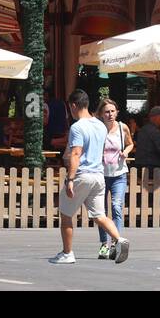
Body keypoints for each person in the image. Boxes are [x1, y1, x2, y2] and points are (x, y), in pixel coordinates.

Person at [49, 90, 130, 265]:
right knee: (100, 215)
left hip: (82, 174)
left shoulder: (77, 127)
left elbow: (76, 153)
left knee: (66, 215)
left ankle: (67, 253)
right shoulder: (100, 126)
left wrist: (70, 179)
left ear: (73, 106)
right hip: (99, 175)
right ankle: (119, 239)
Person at [96, 98, 133, 260]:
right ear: (101, 114)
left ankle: (116, 243)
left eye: (112, 111)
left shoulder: (122, 127)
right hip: (101, 174)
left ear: (117, 112)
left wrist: (127, 152)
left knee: (116, 207)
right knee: (101, 211)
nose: (110, 114)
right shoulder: (98, 128)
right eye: (106, 112)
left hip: (119, 174)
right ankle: (104, 244)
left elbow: (130, 143)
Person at [133, 105, 160, 171]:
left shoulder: (142, 130)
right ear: (156, 117)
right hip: (152, 169)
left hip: (139, 169)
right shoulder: (155, 132)